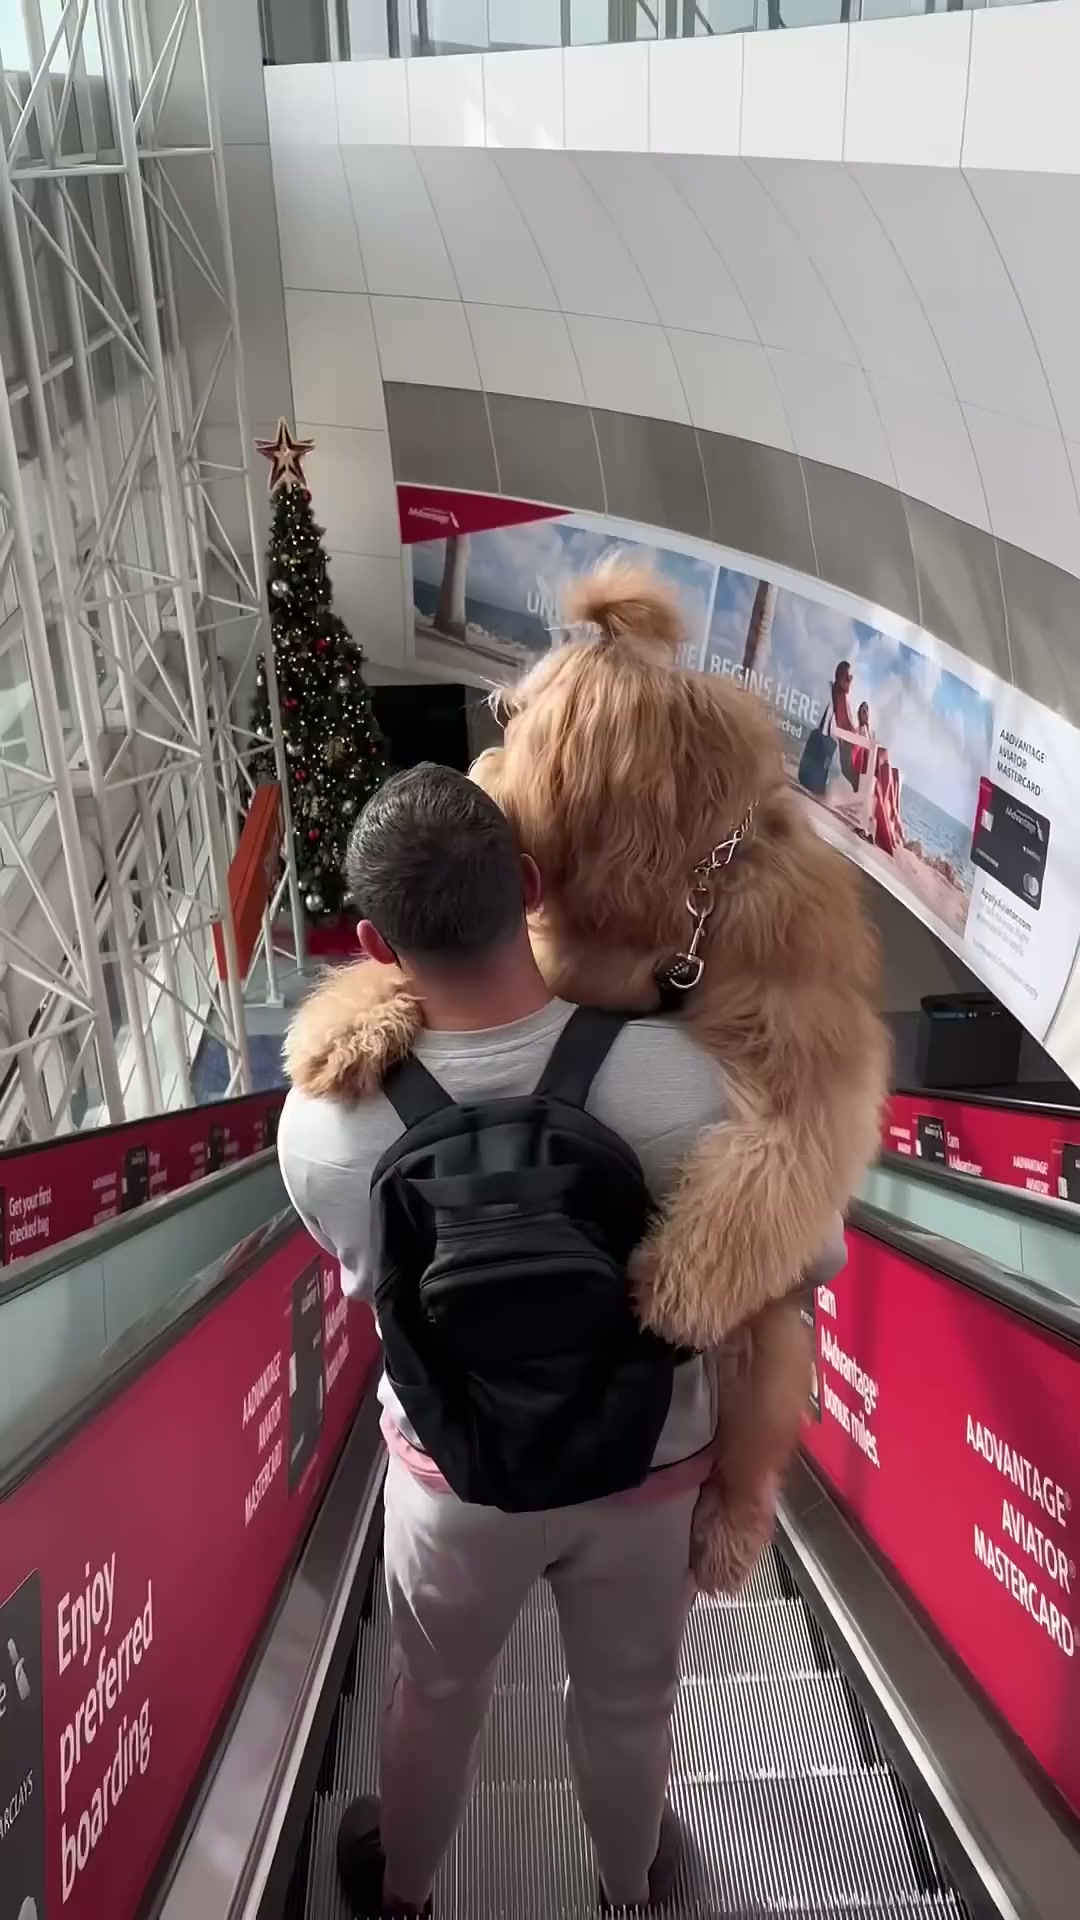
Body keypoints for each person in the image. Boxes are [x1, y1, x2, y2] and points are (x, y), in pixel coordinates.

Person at [280, 764, 833, 1918]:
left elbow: (370, 1275)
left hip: (456, 1477)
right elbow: (804, 1254)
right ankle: (628, 1889)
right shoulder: (679, 1075)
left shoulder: (324, 1122)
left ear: (375, 940)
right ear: (528, 885)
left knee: (433, 1692)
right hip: (649, 1459)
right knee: (630, 1700)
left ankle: (406, 1893)